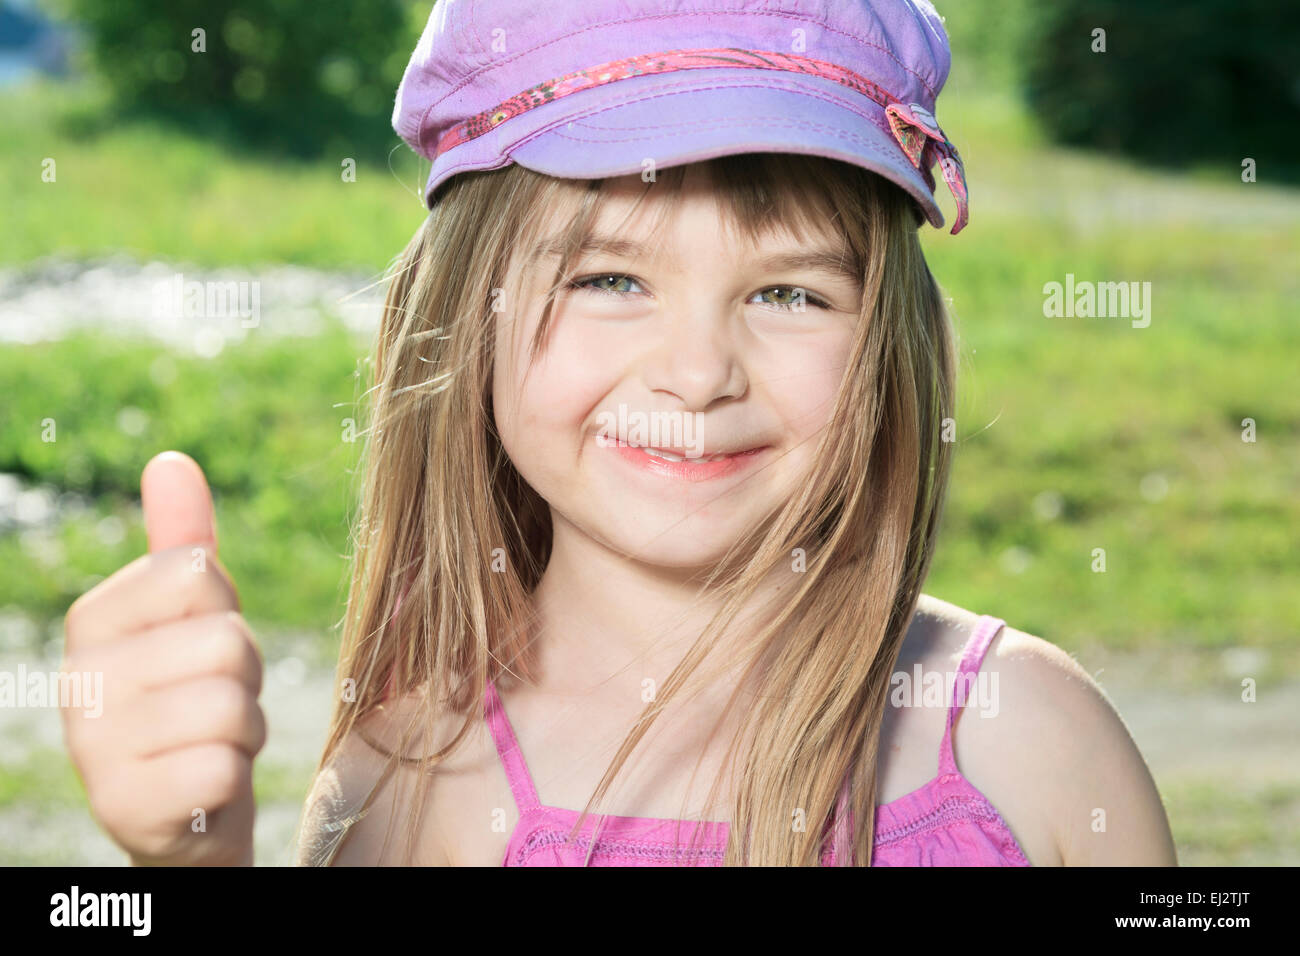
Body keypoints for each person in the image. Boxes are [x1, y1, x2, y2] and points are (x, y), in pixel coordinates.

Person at [61, 0, 1178, 866]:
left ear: (888, 337)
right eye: (608, 277)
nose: (696, 373)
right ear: (466, 312)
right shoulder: (402, 778)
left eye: (789, 292)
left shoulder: (1030, 742)